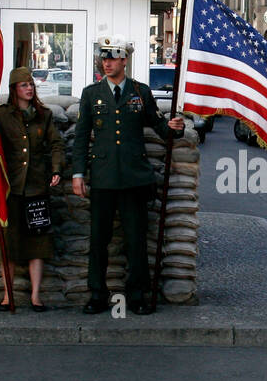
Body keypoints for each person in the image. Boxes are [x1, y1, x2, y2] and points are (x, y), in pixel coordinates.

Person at [71, 35, 185, 316]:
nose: (106, 63)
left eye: (111, 58)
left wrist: (175, 128)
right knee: (99, 239)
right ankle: (97, 294)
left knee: (136, 240)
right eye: (103, 58)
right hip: (104, 177)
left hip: (135, 177)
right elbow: (82, 136)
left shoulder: (140, 92)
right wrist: (78, 174)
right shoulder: (92, 93)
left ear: (124, 60)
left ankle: (137, 295)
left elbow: (159, 127)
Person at [0, 67, 64, 312]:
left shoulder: (43, 115)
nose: (29, 88)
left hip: (36, 187)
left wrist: (56, 169)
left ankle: (36, 296)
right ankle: (8, 295)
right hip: (9, 188)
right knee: (9, 243)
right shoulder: (1, 115)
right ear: (14, 90)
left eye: (31, 85)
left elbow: (55, 143)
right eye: (24, 85)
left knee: (38, 244)